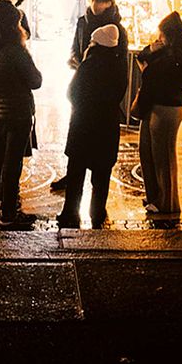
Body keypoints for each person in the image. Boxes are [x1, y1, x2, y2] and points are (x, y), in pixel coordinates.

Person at [51, 0, 128, 194]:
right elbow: (75, 47)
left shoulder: (116, 29)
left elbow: (120, 70)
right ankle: (73, 179)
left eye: (101, 1)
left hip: (103, 94)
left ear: (110, 3)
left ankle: (96, 201)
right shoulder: (83, 22)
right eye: (93, 0)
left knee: (99, 154)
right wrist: (77, 61)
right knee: (79, 143)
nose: (96, 5)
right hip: (83, 86)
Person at [57, 23, 128, 229]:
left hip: (83, 126)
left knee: (76, 174)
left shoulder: (88, 65)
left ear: (97, 44)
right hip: (107, 127)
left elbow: (71, 93)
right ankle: (97, 213)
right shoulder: (119, 66)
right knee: (101, 176)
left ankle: (70, 213)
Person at [0, 0, 43, 226]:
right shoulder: (15, 51)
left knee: (1, 160)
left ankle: (4, 207)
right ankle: (8, 214)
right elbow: (36, 81)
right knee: (12, 164)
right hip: (17, 113)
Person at [134, 11, 182, 221]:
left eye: (161, 34)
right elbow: (142, 58)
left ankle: (168, 204)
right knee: (149, 153)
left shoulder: (176, 55)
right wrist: (151, 50)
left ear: (168, 34)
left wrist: (148, 69)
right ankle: (155, 198)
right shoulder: (167, 51)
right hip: (155, 106)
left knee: (164, 158)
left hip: (166, 109)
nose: (158, 37)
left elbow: (151, 76)